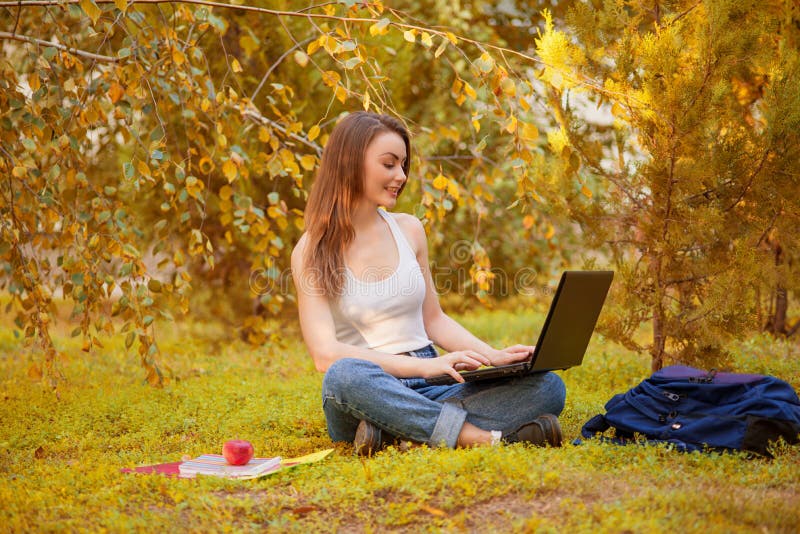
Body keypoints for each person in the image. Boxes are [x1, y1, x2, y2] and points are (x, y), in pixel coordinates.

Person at [291, 111, 566, 455]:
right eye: (389, 164)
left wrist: (492, 356)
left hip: (432, 382)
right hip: (370, 382)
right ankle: (476, 437)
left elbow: (433, 320)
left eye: (403, 165)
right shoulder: (311, 249)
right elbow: (325, 354)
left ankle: (395, 431)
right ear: (350, 163)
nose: (401, 176)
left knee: (548, 387)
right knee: (342, 376)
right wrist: (424, 366)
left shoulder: (409, 230)